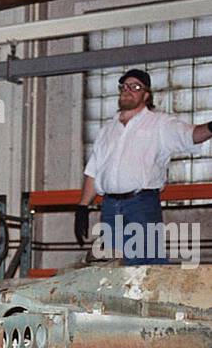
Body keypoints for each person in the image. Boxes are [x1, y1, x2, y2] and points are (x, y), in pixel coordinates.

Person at [75, 68, 212, 264]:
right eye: (124, 86)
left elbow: (191, 135)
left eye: (135, 87)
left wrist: (210, 127)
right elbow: (94, 171)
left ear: (146, 95)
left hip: (140, 205)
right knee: (114, 270)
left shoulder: (159, 124)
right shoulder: (107, 129)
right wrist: (82, 207)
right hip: (110, 208)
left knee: (145, 267)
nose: (128, 90)